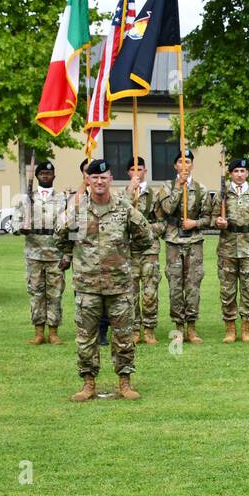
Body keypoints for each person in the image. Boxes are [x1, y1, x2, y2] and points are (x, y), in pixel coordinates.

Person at [56, 159, 153, 401]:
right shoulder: (77, 209)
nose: (99, 181)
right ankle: (88, 384)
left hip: (119, 285)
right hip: (87, 286)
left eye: (104, 177)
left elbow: (145, 237)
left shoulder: (123, 208)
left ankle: (125, 382)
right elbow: (60, 238)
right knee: (85, 338)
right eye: (94, 177)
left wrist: (124, 255)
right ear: (87, 180)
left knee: (123, 336)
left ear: (110, 180)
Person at [158, 150, 214, 343]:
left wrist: (195, 223)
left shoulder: (201, 189)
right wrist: (177, 187)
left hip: (194, 242)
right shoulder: (166, 187)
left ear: (192, 166)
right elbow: (166, 210)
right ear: (175, 166)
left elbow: (208, 218)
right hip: (174, 241)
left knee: (192, 285)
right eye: (180, 161)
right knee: (175, 285)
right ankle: (178, 326)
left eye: (187, 161)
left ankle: (191, 326)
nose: (184, 165)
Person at [214, 158, 249, 342]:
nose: (239, 174)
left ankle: (246, 328)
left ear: (248, 174)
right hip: (227, 249)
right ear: (231, 173)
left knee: (248, 289)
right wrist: (217, 222)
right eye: (236, 171)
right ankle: (230, 328)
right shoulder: (222, 195)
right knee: (227, 290)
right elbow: (210, 218)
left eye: (243, 171)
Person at [18, 160, 68, 344]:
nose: (46, 176)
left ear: (54, 176)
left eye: (49, 173)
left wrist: (67, 255)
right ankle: (38, 332)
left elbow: (69, 227)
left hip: (56, 252)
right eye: (42, 173)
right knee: (36, 293)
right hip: (34, 253)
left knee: (55, 293)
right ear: (37, 176)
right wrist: (20, 227)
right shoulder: (27, 199)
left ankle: (53, 332)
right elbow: (16, 221)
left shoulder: (63, 199)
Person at [123, 156, 163, 344]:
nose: (136, 173)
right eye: (132, 169)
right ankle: (135, 329)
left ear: (145, 171)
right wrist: (131, 190)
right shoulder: (122, 195)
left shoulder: (156, 195)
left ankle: (149, 328)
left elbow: (163, 223)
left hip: (149, 249)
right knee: (130, 292)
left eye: (139, 169)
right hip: (129, 250)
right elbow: (119, 216)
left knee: (150, 291)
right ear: (128, 173)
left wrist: (146, 229)